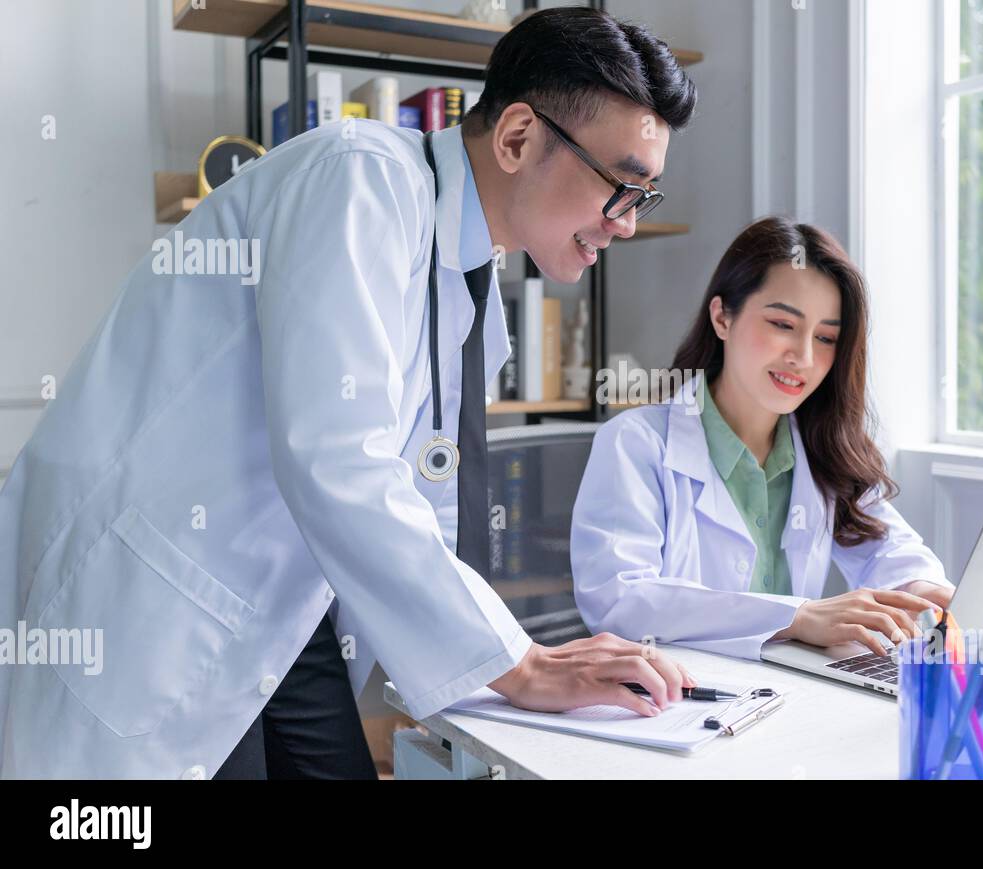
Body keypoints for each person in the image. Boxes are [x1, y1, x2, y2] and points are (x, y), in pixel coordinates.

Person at [0, 6, 697, 779]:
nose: (626, 225)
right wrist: (519, 664)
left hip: (277, 610)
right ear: (517, 138)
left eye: (644, 199)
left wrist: (492, 654)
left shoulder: (460, 268)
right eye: (622, 187)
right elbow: (337, 458)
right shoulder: (359, 178)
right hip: (156, 597)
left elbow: (419, 486)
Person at [570, 217, 955, 661]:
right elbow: (620, 602)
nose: (804, 358)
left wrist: (922, 590)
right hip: (680, 701)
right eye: (781, 324)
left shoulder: (821, 448)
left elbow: (889, 547)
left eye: (826, 337)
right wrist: (795, 616)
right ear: (722, 317)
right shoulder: (635, 444)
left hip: (791, 697)